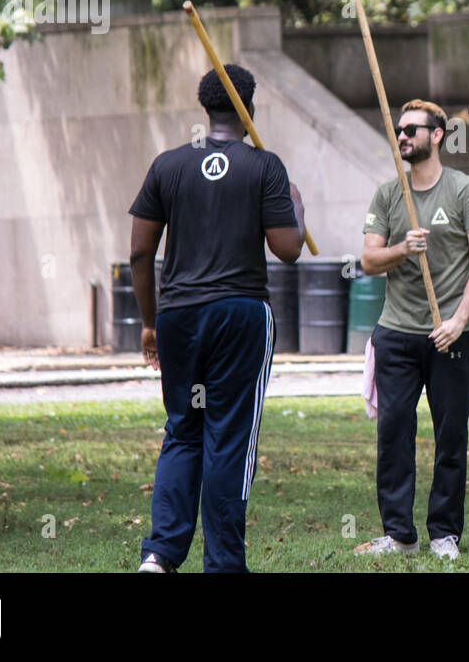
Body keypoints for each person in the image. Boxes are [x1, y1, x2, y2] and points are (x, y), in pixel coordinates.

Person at [129, 64, 306, 573]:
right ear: (249, 108)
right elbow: (288, 249)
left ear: (205, 108)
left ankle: (160, 555)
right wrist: (296, 206)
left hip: (179, 316)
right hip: (240, 313)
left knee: (184, 429)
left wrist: (149, 323)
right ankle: (224, 565)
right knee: (228, 435)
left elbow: (141, 254)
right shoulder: (266, 167)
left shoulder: (167, 165)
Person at [358, 99, 469, 561]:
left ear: (436, 135)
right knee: (393, 431)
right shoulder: (388, 194)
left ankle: (444, 533)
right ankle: (399, 534)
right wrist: (402, 248)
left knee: (450, 433)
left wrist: (458, 320)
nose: (401, 136)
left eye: (411, 129)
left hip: (451, 335)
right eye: (398, 130)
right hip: (396, 333)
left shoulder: (465, 190)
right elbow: (368, 260)